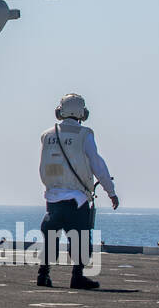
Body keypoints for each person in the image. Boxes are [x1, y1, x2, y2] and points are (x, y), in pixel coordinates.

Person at [36, 93, 119, 290]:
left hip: (52, 197)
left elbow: (44, 164)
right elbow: (97, 164)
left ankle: (43, 274)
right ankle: (77, 276)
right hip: (77, 198)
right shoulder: (85, 134)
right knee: (81, 239)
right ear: (82, 113)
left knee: (50, 238)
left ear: (60, 111)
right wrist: (111, 191)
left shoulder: (47, 135)